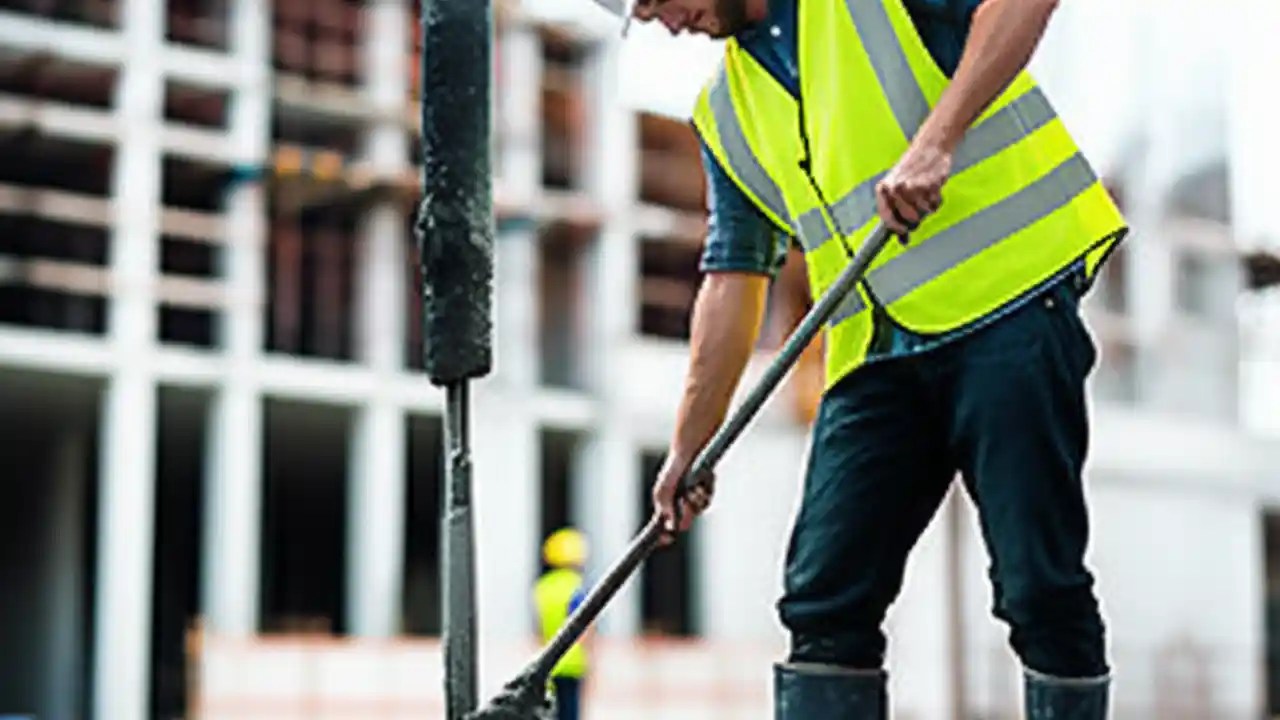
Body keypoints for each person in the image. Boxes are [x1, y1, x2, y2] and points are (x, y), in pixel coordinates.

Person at [594, 0, 1129, 717]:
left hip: (1007, 303)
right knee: (822, 603)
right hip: (874, 357)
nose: (663, 21)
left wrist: (937, 141)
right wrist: (690, 446)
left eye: (655, 0)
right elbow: (732, 277)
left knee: (1039, 585)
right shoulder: (725, 114)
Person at [534, 528, 591, 720]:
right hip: (573, 664)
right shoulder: (576, 586)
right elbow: (586, 628)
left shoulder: (542, 587)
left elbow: (539, 627)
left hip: (548, 663)